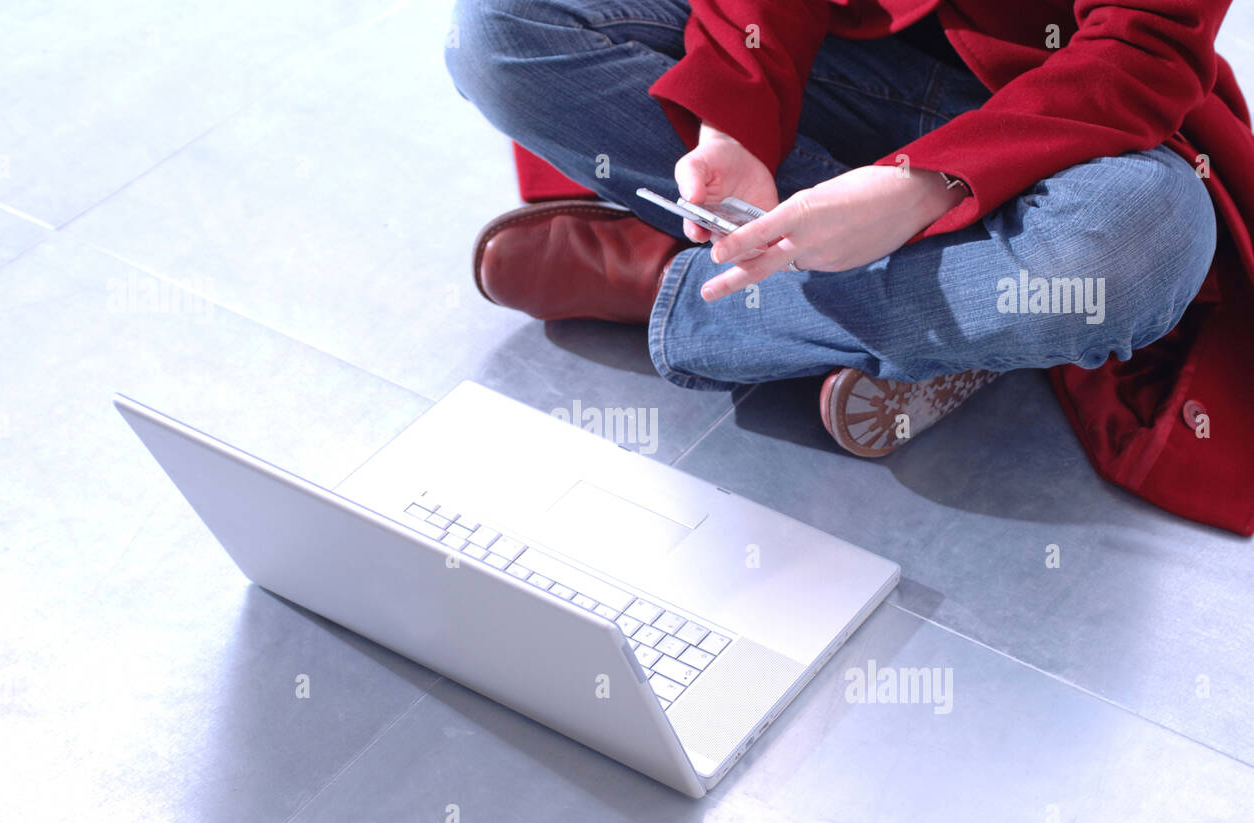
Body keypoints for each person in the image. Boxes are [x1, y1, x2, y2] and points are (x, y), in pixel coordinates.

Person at [445, 1, 1254, 533]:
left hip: (1059, 119)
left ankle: (673, 292)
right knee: (504, 29)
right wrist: (735, 122)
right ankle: (955, 309)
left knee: (1135, 245)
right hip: (833, 64)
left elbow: (1142, 52)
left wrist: (925, 186)